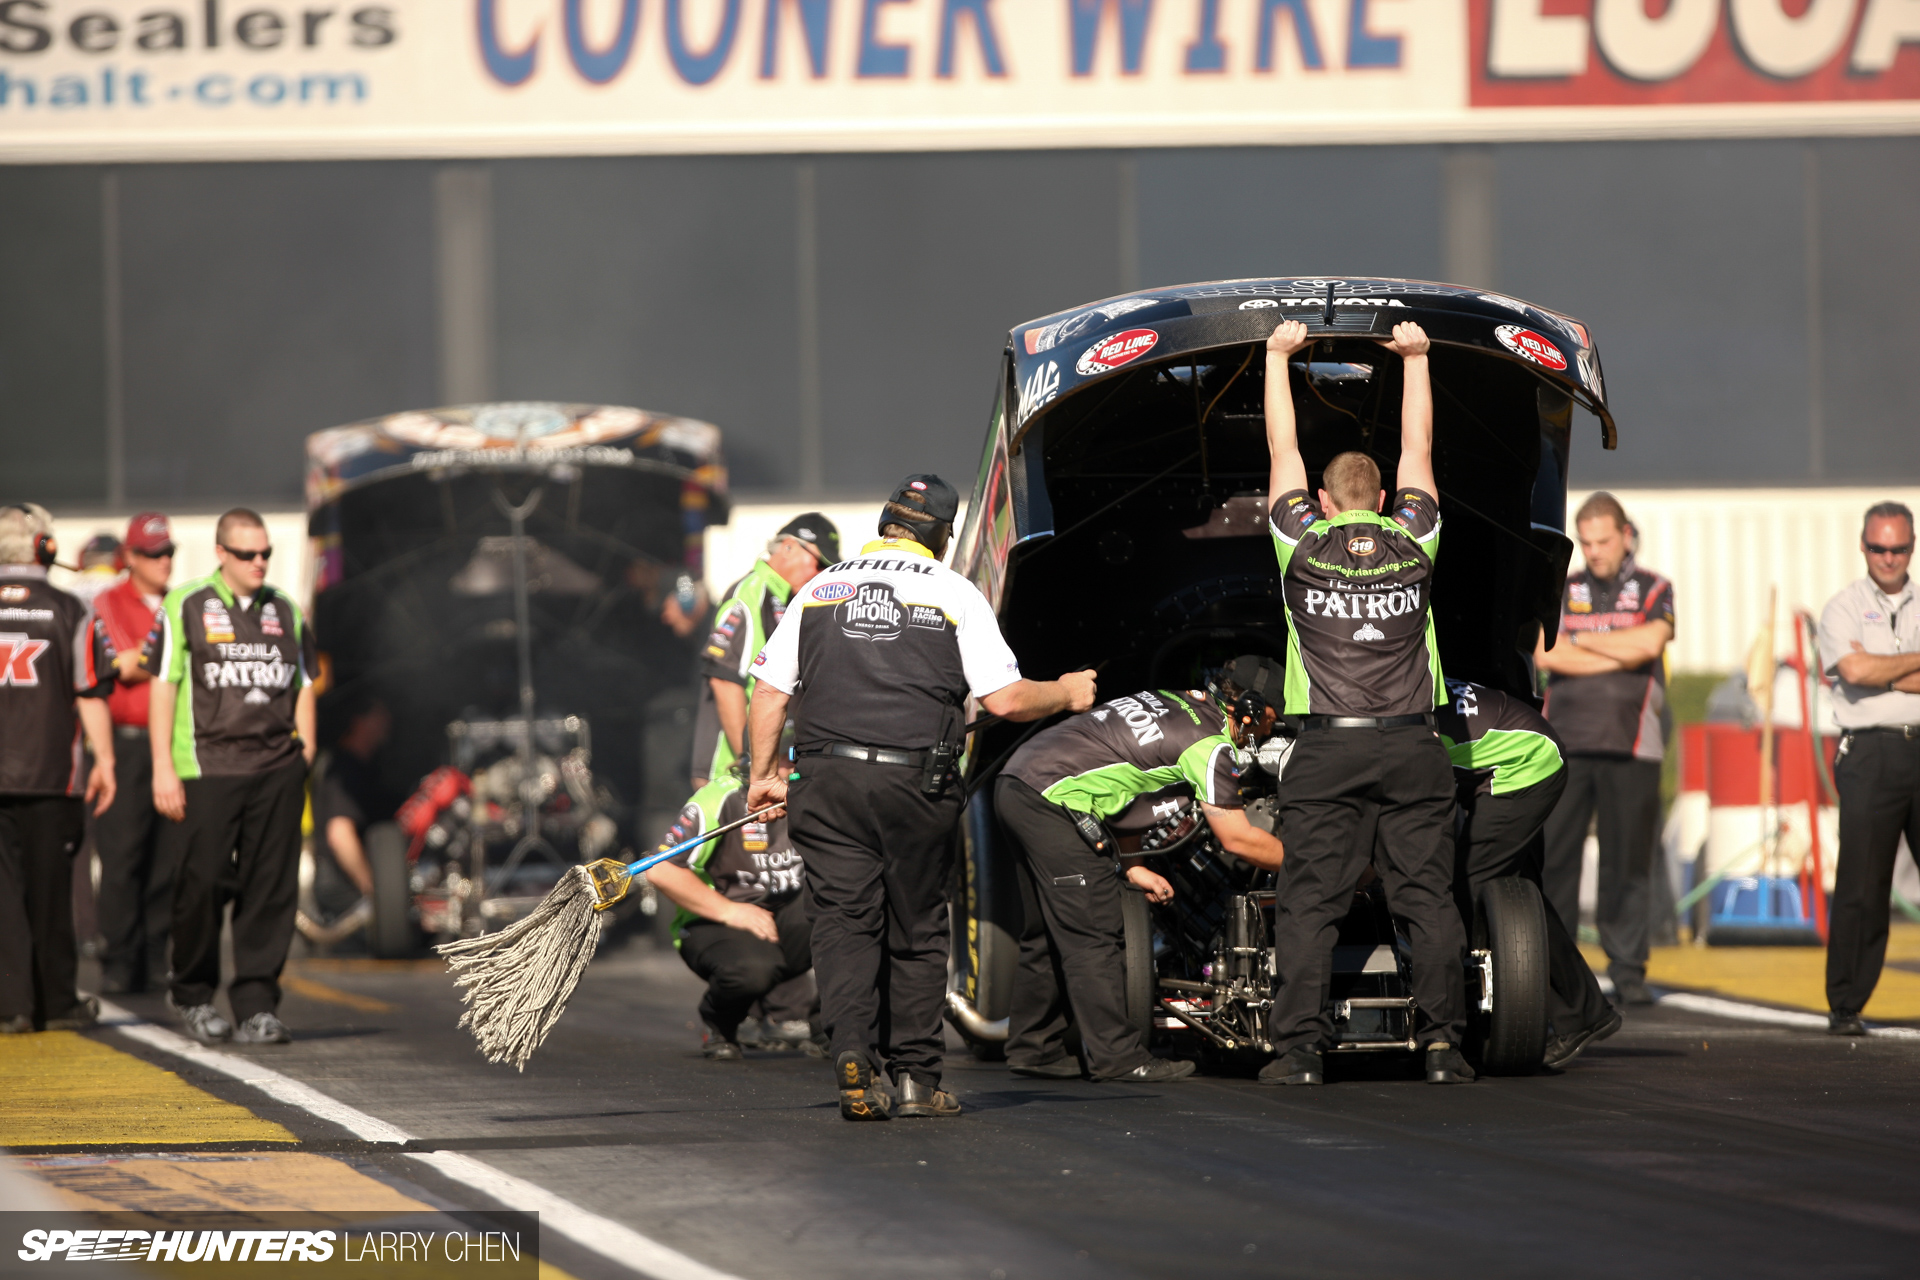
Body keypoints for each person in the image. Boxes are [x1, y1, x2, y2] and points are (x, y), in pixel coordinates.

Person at [746, 475, 1097, 1122]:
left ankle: (853, 1054)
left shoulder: (821, 589)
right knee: (915, 928)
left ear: (885, 523)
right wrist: (1069, 692)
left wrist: (761, 775)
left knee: (844, 926)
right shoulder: (954, 592)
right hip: (915, 784)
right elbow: (1007, 701)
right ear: (943, 534)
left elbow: (768, 693)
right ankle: (915, 1080)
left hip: (824, 782)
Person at [1259, 317, 1472, 1087]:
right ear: (1383, 497)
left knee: (1311, 903)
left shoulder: (1301, 543)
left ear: (1321, 499)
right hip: (1416, 744)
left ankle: (1299, 1055)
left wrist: (1279, 357)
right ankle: (1445, 1049)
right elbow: (1420, 447)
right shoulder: (1415, 539)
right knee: (1428, 901)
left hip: (1329, 745)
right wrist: (1417, 359)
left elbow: (1281, 448)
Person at [997, 656, 1287, 1082]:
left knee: (1046, 930)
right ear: (1253, 709)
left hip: (1019, 783)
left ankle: (1033, 1048)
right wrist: (1312, 867)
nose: (1269, 731)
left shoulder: (1176, 700)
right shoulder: (1210, 745)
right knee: (1094, 932)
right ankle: (1117, 1058)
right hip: (1056, 800)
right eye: (1272, 721)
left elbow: (1126, 787)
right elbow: (1237, 839)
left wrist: (1133, 865)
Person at [143, 509, 317, 1045]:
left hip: (276, 770)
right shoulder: (187, 604)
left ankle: (257, 1006)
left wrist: (303, 756)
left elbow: (305, 684)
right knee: (204, 881)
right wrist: (162, 768)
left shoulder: (286, 610)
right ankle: (192, 993)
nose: (260, 562)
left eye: (265, 552)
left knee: (271, 889)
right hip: (207, 766)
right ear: (221, 553)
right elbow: (163, 687)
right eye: (248, 554)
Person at [1535, 492, 1675, 1008]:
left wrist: (1582, 642)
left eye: (1603, 540)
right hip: (1564, 745)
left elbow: (1649, 646)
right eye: (1586, 542)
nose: (1593, 551)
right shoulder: (1561, 589)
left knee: (1627, 865)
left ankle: (1629, 970)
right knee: (1557, 863)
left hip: (1633, 746)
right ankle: (1553, 972)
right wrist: (1618, 648)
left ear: (1625, 535)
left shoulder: (1654, 587)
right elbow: (1545, 651)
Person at [1437, 678, 1619, 1068]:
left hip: (1527, 766)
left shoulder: (1405, 727)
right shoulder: (1403, 683)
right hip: (1525, 751)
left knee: (1471, 886)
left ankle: (1580, 1012)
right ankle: (1582, 1010)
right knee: (1516, 893)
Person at [0, 503, 117, 1033]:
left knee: (3, 893)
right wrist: (106, 760)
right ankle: (58, 1000)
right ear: (44, 548)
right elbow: (90, 691)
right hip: (53, 774)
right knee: (51, 891)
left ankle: (12, 1005)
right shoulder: (69, 609)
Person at [1818, 501, 1920, 1036]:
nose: (1888, 557)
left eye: (1898, 548)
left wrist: (1880, 674)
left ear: (1912, 547)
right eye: (1878, 547)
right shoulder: (1843, 608)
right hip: (1870, 751)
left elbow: (1866, 670)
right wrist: (1905, 670)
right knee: (1863, 882)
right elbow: (1852, 669)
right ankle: (1846, 1002)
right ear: (1863, 546)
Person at [647, 760, 814, 1061]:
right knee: (752, 970)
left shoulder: (818, 791)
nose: (794, 772)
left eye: (798, 762)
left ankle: (830, 1027)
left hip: (786, 913)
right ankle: (719, 1022)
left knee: (851, 918)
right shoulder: (721, 797)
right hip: (715, 919)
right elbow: (661, 870)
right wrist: (732, 912)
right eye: (786, 763)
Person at [91, 512, 176, 994]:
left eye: (169, 552)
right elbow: (120, 666)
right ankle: (119, 959)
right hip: (126, 743)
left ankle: (154, 953)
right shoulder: (108, 603)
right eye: (154, 553)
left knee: (167, 859)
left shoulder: (179, 602)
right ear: (130, 559)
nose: (164, 561)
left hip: (172, 745)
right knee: (122, 858)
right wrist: (170, 649)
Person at [691, 514, 840, 788]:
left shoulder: (792, 601)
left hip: (766, 773)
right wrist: (750, 763)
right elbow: (724, 681)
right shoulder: (749, 593)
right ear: (788, 547)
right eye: (819, 562)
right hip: (730, 773)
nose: (820, 574)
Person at [311, 696, 394, 922]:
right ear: (359, 721)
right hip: (343, 891)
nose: (388, 721)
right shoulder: (344, 770)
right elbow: (340, 834)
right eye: (380, 715)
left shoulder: (362, 768)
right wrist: (376, 895)